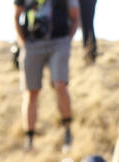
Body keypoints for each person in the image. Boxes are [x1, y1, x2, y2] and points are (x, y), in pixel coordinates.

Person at [14, 0, 81, 151]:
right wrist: (23, 42)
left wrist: (67, 41)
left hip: (59, 42)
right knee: (31, 92)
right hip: (31, 43)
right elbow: (16, 16)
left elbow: (76, 17)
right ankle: (29, 139)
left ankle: (67, 131)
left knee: (60, 85)